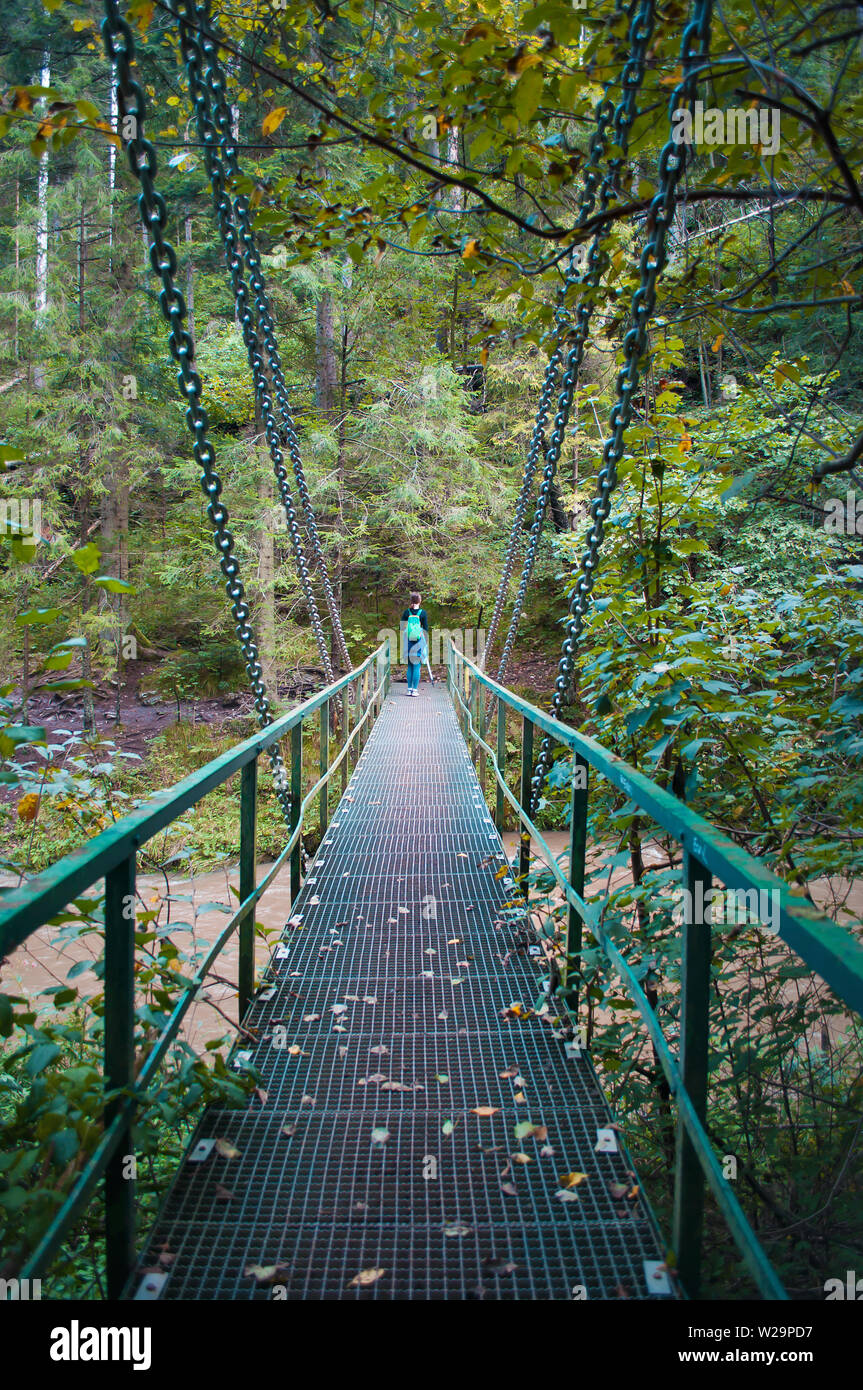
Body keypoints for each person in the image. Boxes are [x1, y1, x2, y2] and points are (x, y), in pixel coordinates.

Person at [401, 591, 429, 696]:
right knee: (417, 665)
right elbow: (425, 629)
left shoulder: (406, 612)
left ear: (411, 601)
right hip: (418, 642)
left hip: (408, 642)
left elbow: (402, 627)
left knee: (409, 666)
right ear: (420, 601)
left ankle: (409, 689)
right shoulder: (423, 613)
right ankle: (415, 690)